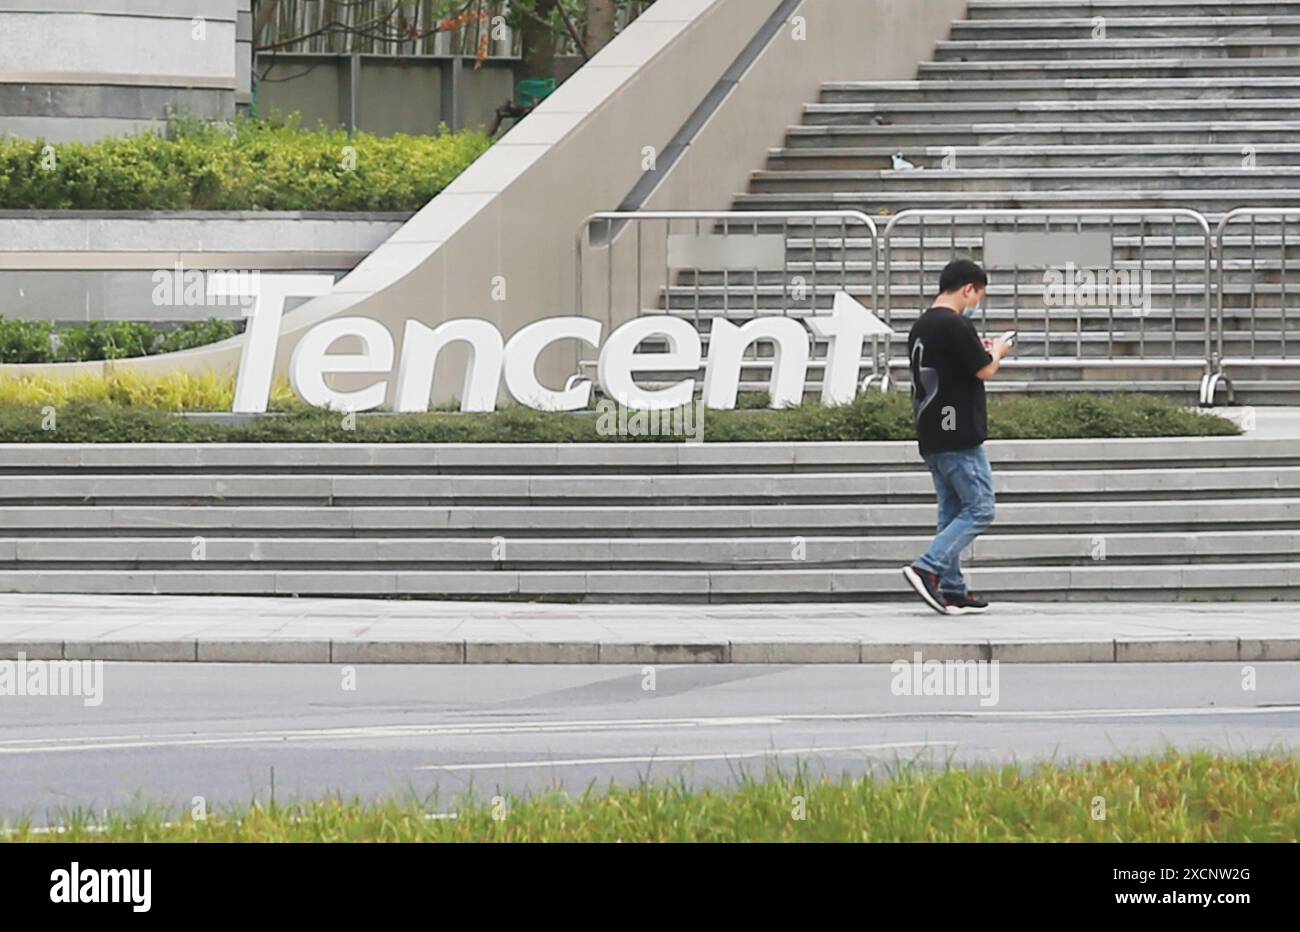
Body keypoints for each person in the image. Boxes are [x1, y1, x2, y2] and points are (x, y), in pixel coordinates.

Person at [901, 259, 1013, 616]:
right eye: (978, 294)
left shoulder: (922, 325)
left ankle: (952, 589)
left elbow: (952, 363)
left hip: (932, 431)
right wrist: (997, 350)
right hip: (958, 431)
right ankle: (927, 567)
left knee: (951, 512)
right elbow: (984, 369)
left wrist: (977, 348)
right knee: (981, 509)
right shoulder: (955, 323)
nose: (976, 301)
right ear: (968, 288)